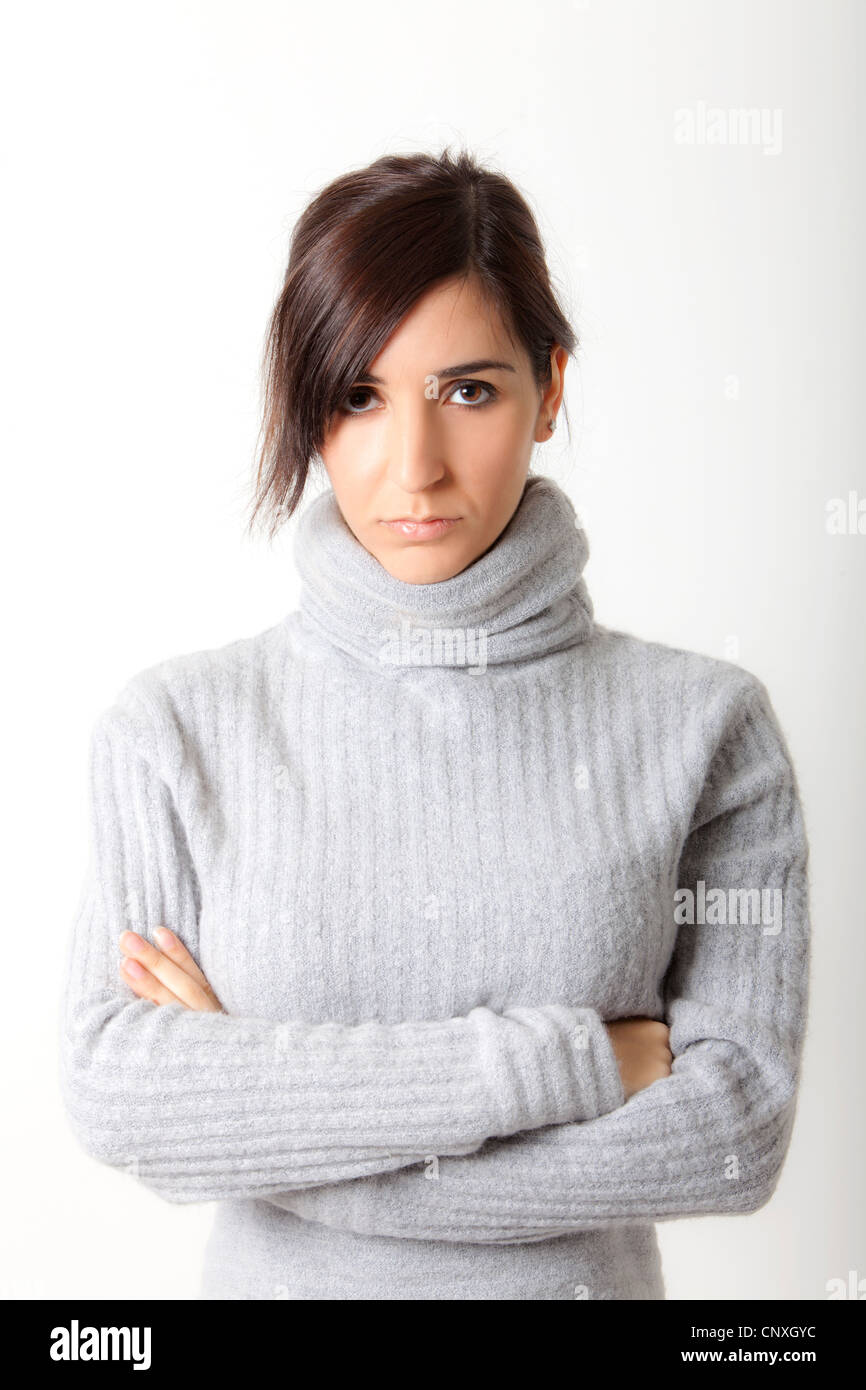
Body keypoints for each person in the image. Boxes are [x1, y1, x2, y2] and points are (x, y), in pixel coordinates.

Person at [58, 147, 810, 1301]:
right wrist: (569, 1061)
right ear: (309, 408)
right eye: (358, 396)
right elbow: (124, 1094)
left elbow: (731, 1135)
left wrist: (268, 1126)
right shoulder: (177, 730)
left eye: (468, 390)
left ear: (549, 388)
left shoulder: (703, 728)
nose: (414, 466)